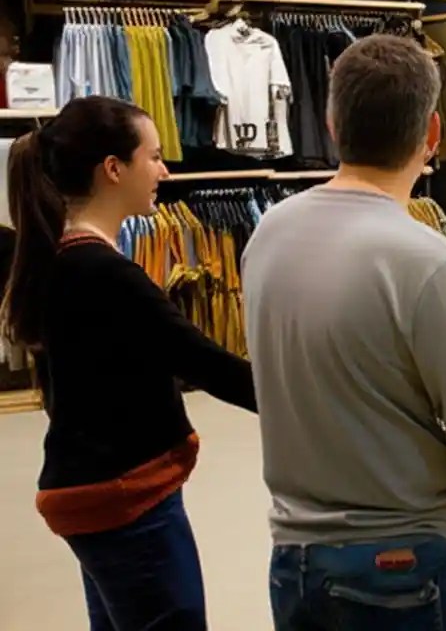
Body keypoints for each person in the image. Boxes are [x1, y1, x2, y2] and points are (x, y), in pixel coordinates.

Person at [241, 35, 446, 631]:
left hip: (296, 556)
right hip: (405, 566)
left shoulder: (269, 233)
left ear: (330, 121)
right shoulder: (430, 263)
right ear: (434, 134)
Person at [1, 96, 257, 630]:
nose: (165, 169)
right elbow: (205, 363)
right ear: (113, 169)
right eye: (154, 156)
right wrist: (319, 396)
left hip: (91, 493)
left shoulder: (59, 258)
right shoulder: (104, 272)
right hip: (126, 501)